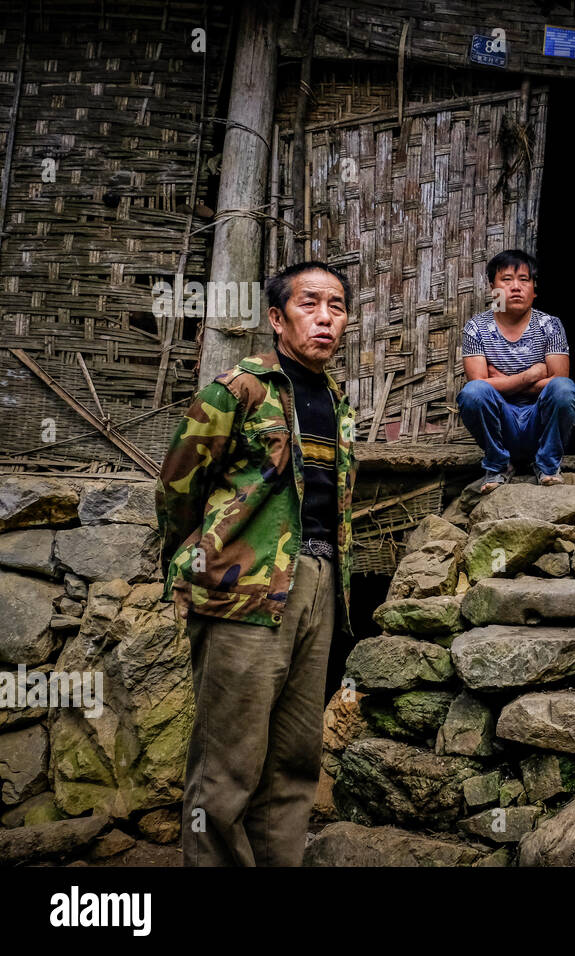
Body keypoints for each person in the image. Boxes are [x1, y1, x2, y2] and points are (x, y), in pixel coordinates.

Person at [156, 260, 358, 866]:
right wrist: (198, 563)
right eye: (309, 304)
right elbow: (177, 486)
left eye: (338, 306)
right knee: (229, 765)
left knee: (295, 760)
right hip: (245, 589)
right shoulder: (239, 389)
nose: (325, 318)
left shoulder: (336, 399)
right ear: (276, 317)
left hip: (317, 584)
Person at [456, 249, 575, 492]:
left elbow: (559, 382)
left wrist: (503, 382)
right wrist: (530, 375)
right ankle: (498, 465)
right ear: (493, 287)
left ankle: (547, 464)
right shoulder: (476, 328)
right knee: (473, 393)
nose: (516, 287)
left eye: (524, 280)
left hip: (538, 421)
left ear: (534, 289)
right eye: (506, 280)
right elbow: (478, 385)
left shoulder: (549, 325)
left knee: (565, 390)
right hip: (503, 424)